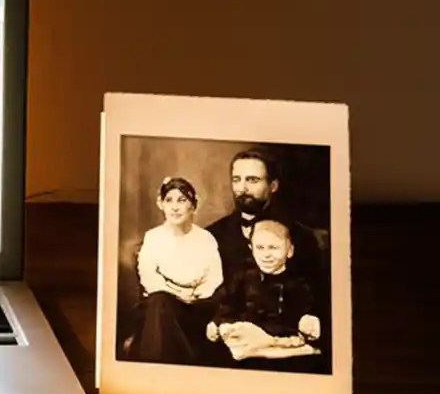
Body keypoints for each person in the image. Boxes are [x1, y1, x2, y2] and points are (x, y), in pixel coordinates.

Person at [122, 177, 223, 366]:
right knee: (159, 302)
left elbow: (214, 277)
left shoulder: (206, 238)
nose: (175, 207)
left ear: (193, 205)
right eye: (169, 200)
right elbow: (149, 276)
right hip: (164, 302)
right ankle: (157, 365)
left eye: (182, 200)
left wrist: (195, 296)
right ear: (161, 204)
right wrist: (177, 294)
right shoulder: (153, 237)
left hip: (197, 304)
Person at [207, 220, 325, 371]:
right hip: (248, 342)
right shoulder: (243, 278)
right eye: (260, 248)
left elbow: (303, 314)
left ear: (290, 251)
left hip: (281, 342)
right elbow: (227, 304)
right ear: (251, 249)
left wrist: (308, 322)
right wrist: (217, 322)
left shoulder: (299, 284)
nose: (266, 255)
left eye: (274, 248)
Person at [206, 149, 322, 286]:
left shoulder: (301, 237)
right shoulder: (212, 236)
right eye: (236, 180)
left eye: (252, 180)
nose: (242, 188)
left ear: (273, 186)